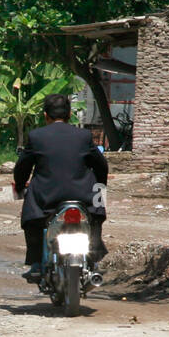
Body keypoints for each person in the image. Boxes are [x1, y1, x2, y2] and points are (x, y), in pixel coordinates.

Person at [12, 93, 109, 284]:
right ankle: (94, 254)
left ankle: (36, 263)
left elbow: (22, 168)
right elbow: (101, 166)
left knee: (32, 219)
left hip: (46, 198)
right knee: (96, 215)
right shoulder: (84, 136)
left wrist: (21, 186)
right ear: (70, 114)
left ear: (46, 115)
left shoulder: (36, 136)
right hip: (83, 196)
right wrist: (100, 188)